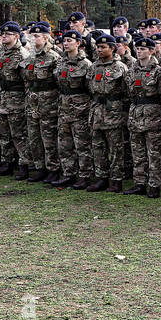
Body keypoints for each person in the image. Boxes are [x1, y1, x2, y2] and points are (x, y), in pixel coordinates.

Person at [125, 38, 161, 198]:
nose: (139, 51)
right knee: (138, 152)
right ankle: (139, 183)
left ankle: (154, 184)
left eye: (143, 49)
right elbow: (128, 93)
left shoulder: (159, 71)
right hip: (136, 114)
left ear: (151, 51)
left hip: (153, 116)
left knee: (154, 153)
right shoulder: (131, 71)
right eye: (137, 49)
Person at [87, 34, 130, 193]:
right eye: (98, 47)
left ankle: (116, 180)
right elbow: (89, 87)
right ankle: (101, 178)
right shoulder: (94, 66)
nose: (99, 50)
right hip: (97, 112)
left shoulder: (120, 67)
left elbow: (127, 92)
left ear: (112, 48)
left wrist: (123, 115)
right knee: (98, 147)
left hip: (114, 112)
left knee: (115, 148)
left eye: (103, 47)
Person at [53, 29, 94, 189]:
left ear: (78, 43)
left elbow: (90, 88)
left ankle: (84, 175)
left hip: (80, 108)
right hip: (63, 106)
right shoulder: (60, 62)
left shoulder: (86, 64)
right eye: (65, 40)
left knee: (82, 143)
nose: (66, 43)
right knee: (64, 143)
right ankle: (68, 173)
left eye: (70, 40)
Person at [23, 23, 63, 183]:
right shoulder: (30, 57)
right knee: (34, 138)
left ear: (46, 37)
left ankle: (53, 169)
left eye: (37, 36)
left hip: (48, 104)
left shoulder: (54, 57)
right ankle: (40, 167)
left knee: (49, 138)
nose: (33, 39)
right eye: (31, 36)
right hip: (32, 103)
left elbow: (59, 83)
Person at [0, 22, 30, 178]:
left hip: (17, 99)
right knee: (4, 134)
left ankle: (24, 164)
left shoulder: (22, 54)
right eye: (2, 34)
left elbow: (27, 82)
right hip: (3, 97)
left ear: (16, 36)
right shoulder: (1, 52)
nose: (4, 36)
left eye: (7, 34)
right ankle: (7, 162)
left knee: (19, 134)